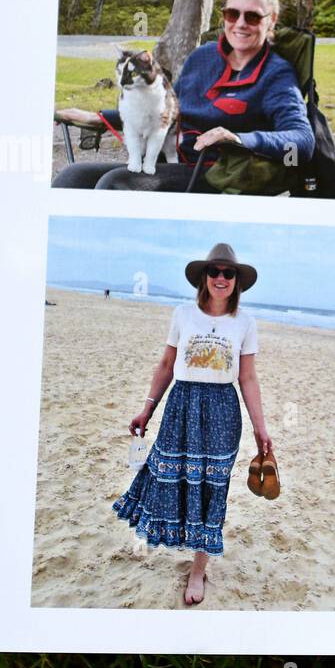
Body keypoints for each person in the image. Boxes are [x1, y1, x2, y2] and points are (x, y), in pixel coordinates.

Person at [54, 0, 315, 192]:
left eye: (253, 16)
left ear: (272, 20)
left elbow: (302, 140)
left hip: (220, 171)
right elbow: (169, 113)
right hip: (174, 160)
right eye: (232, 13)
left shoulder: (276, 74)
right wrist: (99, 119)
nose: (240, 23)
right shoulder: (203, 56)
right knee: (72, 177)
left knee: (115, 185)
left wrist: (238, 138)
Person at [113, 242, 273, 605]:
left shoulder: (245, 323)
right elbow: (167, 366)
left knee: (212, 488)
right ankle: (173, 539)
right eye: (214, 272)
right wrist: (147, 408)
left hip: (222, 410)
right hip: (181, 404)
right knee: (169, 476)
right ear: (204, 277)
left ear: (236, 281)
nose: (221, 278)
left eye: (228, 273)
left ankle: (198, 569)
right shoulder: (183, 314)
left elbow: (247, 379)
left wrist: (261, 428)